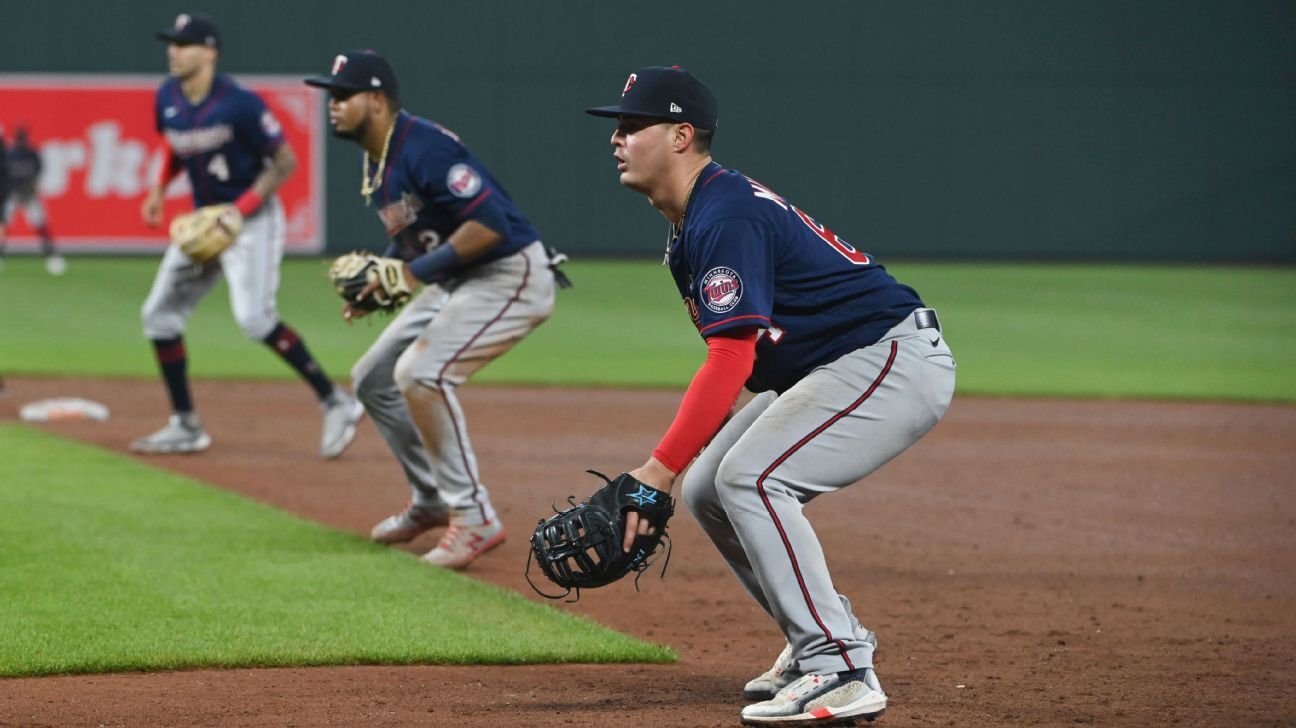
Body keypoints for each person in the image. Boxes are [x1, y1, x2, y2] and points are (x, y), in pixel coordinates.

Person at [585, 67, 957, 725]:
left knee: (752, 479)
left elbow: (731, 358)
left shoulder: (725, 215)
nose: (617, 138)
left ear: (680, 135)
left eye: (631, 125)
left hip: (888, 358)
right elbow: (744, 365)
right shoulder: (690, 231)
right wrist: (674, 474)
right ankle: (813, 634)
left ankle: (840, 666)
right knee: (709, 488)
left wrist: (654, 471)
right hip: (836, 364)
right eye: (616, 126)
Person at [304, 50, 566, 569]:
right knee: (373, 377)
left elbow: (489, 223)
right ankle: (431, 501)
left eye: (342, 96)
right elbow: (415, 242)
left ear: (376, 100)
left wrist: (408, 275)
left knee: (422, 373)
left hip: (509, 273)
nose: (331, 106)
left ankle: (473, 517)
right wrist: (381, 284)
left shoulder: (422, 148)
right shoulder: (375, 160)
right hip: (456, 281)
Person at [134, 13, 363, 458]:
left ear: (210, 51)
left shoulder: (239, 103)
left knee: (255, 319)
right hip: (206, 223)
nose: (173, 51)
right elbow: (176, 146)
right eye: (172, 43)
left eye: (184, 43)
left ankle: (336, 401)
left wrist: (237, 213)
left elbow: (285, 162)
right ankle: (186, 425)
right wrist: (159, 189)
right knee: (158, 316)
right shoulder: (167, 97)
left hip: (252, 222)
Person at [0, 126, 66, 275]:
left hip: (30, 196)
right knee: (4, 226)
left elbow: (39, 170)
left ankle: (52, 257)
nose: (22, 140)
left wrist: (33, 185)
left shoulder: (32, 153)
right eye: (20, 137)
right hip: (14, 195)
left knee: (41, 225)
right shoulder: (10, 154)